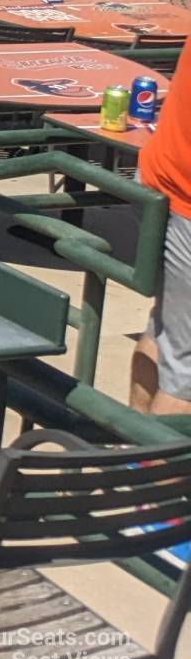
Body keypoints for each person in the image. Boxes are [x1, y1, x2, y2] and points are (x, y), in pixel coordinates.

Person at [129, 42, 191, 415]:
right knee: (186, 376)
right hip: (184, 197)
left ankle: (132, 456)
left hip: (160, 177)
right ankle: (152, 473)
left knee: (165, 329)